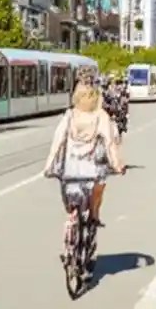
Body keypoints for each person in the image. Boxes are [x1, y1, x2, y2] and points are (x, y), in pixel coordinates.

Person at [43, 82, 123, 227]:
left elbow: (58, 140)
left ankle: (72, 217)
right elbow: (110, 143)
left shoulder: (70, 115)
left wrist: (49, 165)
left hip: (70, 165)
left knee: (68, 192)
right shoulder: (101, 116)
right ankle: (93, 215)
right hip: (90, 167)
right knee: (99, 184)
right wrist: (116, 165)